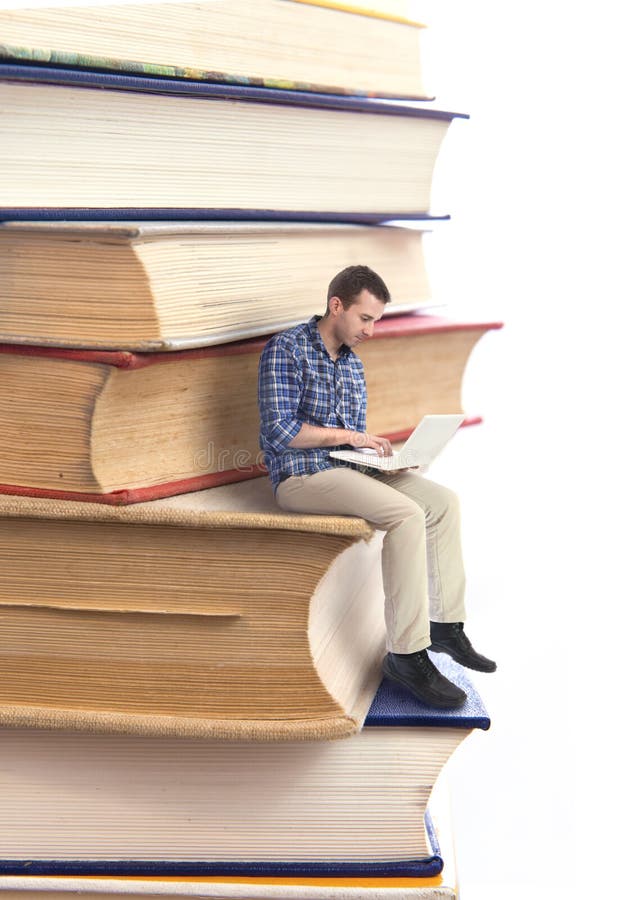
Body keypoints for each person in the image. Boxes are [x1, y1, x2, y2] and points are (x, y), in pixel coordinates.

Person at [257, 265, 496, 709]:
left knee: (442, 502)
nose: (372, 329)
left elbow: (354, 438)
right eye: (366, 318)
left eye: (377, 320)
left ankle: (445, 628)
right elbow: (280, 432)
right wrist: (347, 438)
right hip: (302, 476)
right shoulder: (286, 350)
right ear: (336, 306)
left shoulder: (351, 365)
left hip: (350, 471)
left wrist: (385, 461)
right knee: (406, 515)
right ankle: (407, 654)